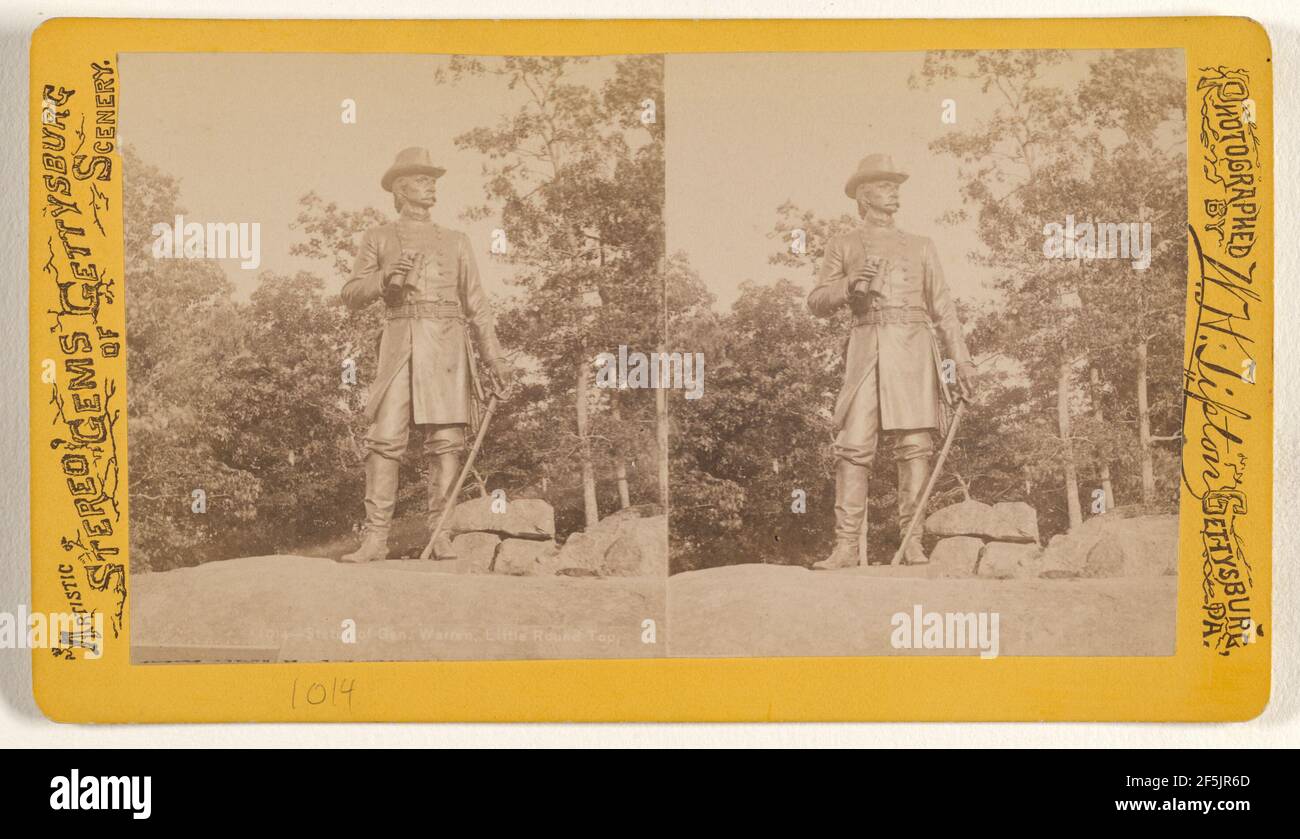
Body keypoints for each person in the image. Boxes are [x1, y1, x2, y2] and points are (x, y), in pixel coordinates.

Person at [340, 147, 513, 563]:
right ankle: (376, 539)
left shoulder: (456, 240)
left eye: (432, 179)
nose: (430, 184)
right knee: (385, 441)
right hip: (401, 339)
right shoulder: (378, 237)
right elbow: (351, 294)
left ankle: (439, 534)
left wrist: (495, 359)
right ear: (399, 189)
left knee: (446, 443)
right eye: (420, 179)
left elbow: (477, 304)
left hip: (448, 343)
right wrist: (386, 277)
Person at [807, 153, 975, 569]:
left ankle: (912, 543)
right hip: (867, 345)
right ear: (863, 196)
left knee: (915, 447)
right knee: (852, 448)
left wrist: (963, 361)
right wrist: (850, 283)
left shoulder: (921, 245)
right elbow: (816, 302)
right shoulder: (843, 245)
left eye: (896, 185)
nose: (893, 190)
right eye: (883, 185)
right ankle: (846, 547)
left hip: (915, 347)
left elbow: (944, 308)